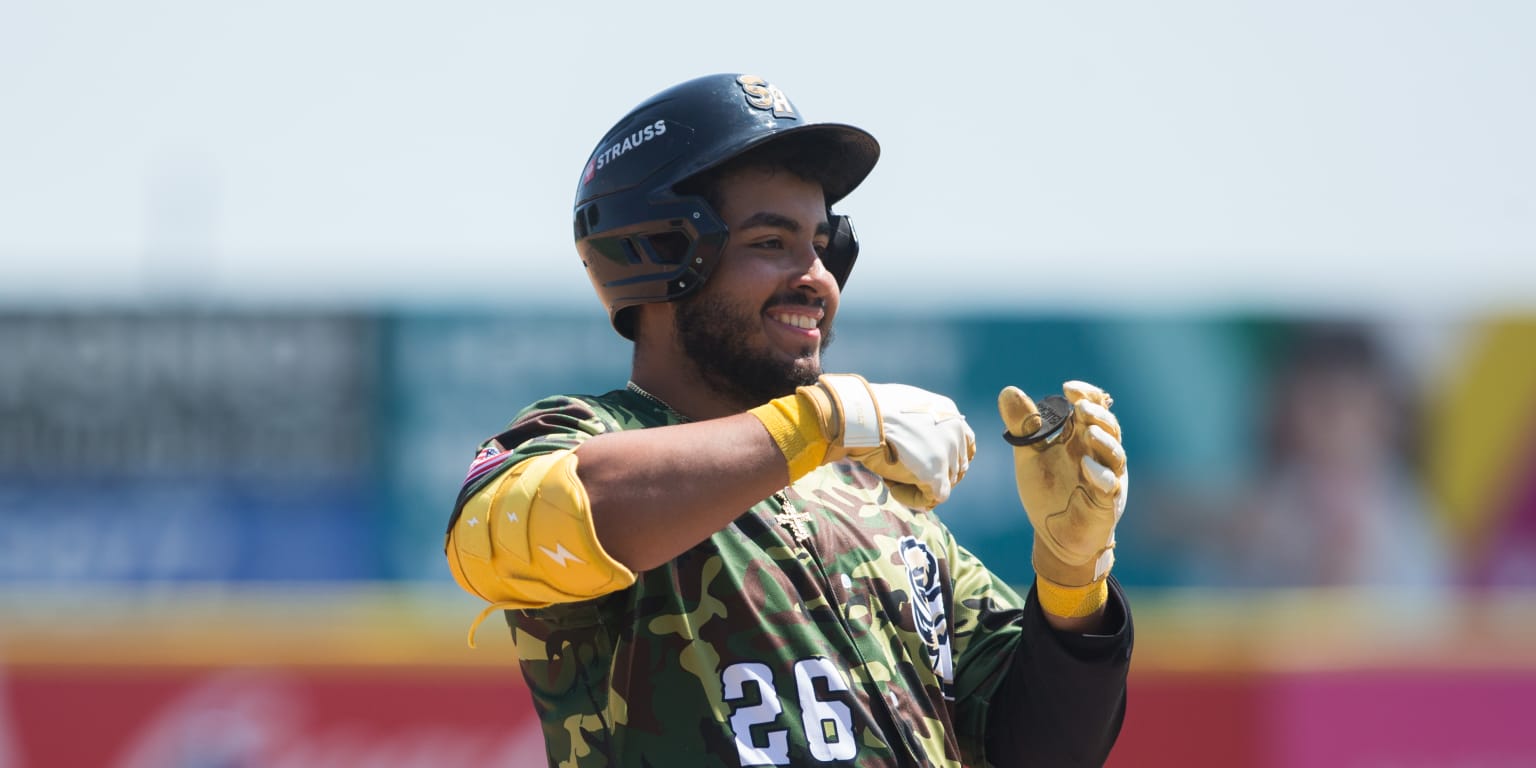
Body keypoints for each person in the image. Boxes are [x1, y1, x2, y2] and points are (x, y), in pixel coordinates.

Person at [445, 73, 1133, 768]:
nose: (818, 277)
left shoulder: (873, 499)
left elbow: (1039, 749)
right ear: (660, 253)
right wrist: (828, 420)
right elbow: (506, 533)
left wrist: (1072, 577)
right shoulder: (593, 437)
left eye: (824, 246)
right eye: (772, 243)